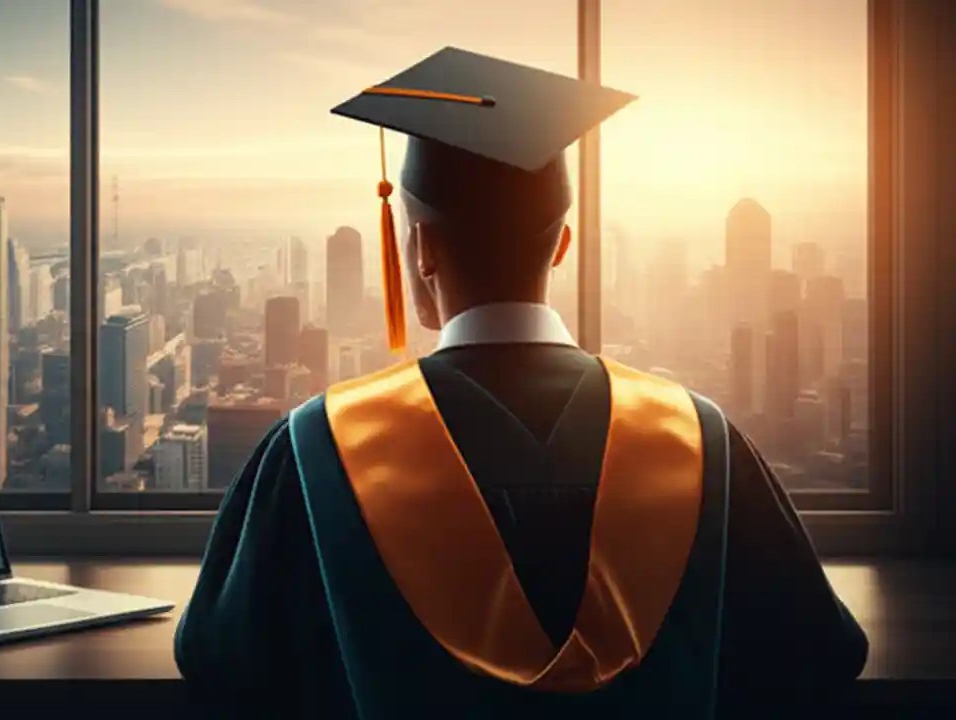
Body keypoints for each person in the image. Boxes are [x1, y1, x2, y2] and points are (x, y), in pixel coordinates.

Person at [175, 47, 867, 719]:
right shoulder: (700, 440)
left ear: (421, 249)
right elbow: (822, 654)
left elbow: (218, 659)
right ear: (561, 243)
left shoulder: (318, 449)